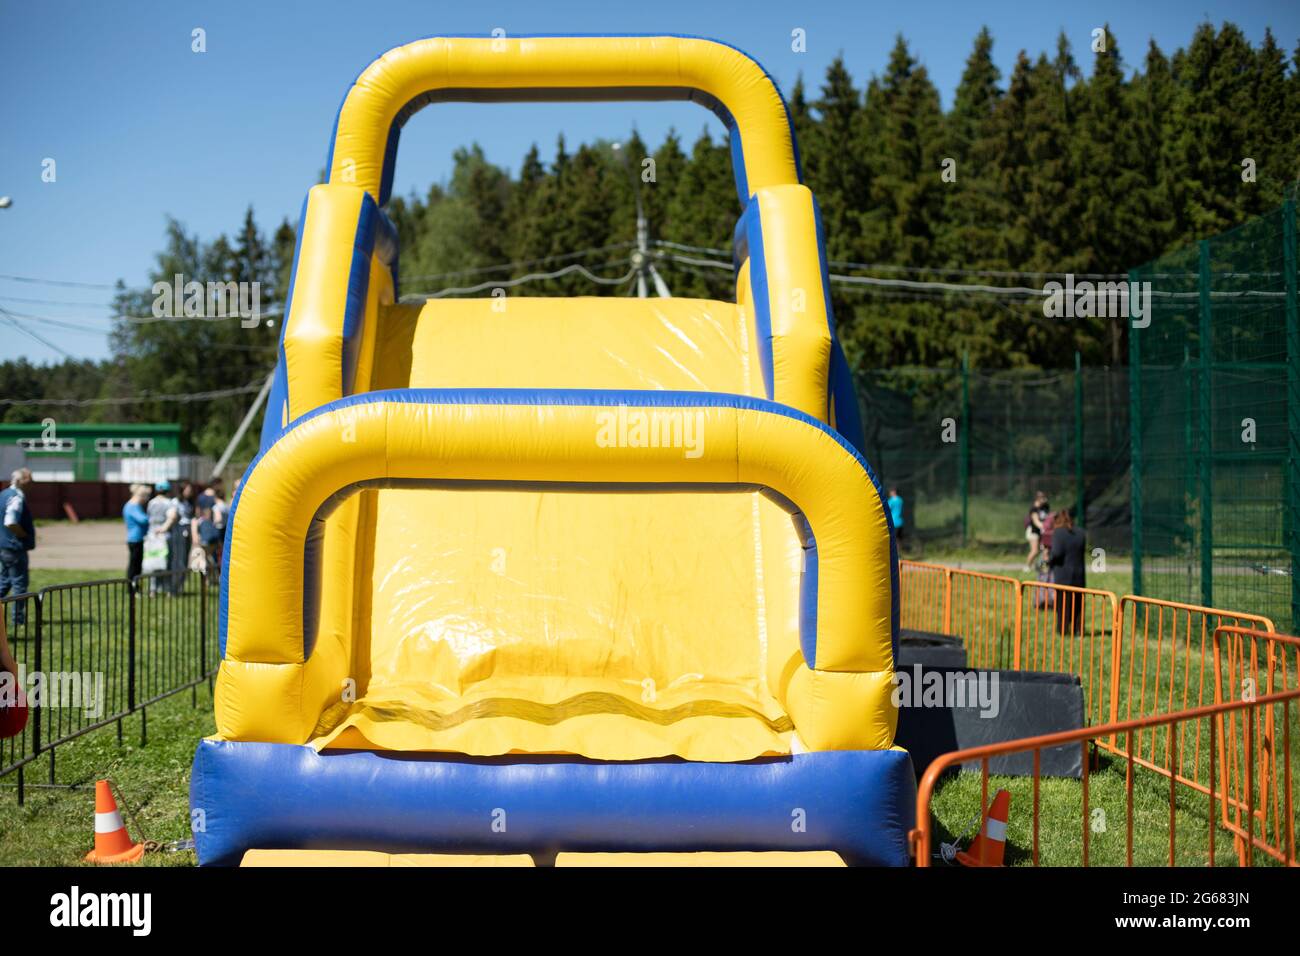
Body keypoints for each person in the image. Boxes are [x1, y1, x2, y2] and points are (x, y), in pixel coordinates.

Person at [0, 468, 35, 627]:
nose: (32, 484)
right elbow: (10, 521)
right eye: (30, 480)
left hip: (4, 546)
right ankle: (18, 622)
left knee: (4, 582)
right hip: (14, 547)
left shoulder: (4, 494)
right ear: (22, 481)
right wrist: (24, 536)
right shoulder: (16, 497)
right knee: (20, 585)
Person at [1048, 508, 1087, 635]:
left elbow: (1057, 553)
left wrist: (1049, 560)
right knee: (1078, 604)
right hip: (1079, 574)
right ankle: (1078, 629)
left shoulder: (1058, 533)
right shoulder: (1081, 532)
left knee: (1063, 604)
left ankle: (1063, 629)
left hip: (1063, 575)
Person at [144, 480, 179, 594]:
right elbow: (172, 516)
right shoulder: (170, 503)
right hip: (165, 536)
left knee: (153, 561)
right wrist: (164, 528)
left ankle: (153, 589)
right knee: (167, 562)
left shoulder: (151, 503)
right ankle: (168, 589)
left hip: (152, 535)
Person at [122, 484, 151, 583]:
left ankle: (135, 586)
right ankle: (132, 587)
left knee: (138, 565)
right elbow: (143, 519)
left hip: (138, 538)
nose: (146, 499)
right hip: (135, 539)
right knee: (134, 565)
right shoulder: (132, 506)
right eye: (145, 496)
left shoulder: (135, 506)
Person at [1024, 491, 1050, 570]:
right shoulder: (1034, 508)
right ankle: (1027, 567)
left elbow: (1047, 518)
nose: (1045, 499)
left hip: (1042, 532)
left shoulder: (1045, 507)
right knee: (1035, 550)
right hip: (1033, 531)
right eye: (1042, 498)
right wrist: (1044, 527)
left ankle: (1044, 567)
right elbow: (1036, 521)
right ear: (1038, 499)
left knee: (1045, 550)